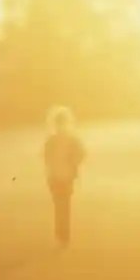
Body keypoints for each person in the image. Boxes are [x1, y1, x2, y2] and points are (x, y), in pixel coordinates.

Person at [43, 106, 87, 249]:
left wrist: (74, 162)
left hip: (66, 176)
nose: (60, 126)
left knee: (63, 205)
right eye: (58, 123)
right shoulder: (52, 140)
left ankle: (63, 234)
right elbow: (46, 157)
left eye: (62, 123)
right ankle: (61, 233)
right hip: (56, 176)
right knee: (60, 205)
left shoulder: (71, 140)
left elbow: (81, 154)